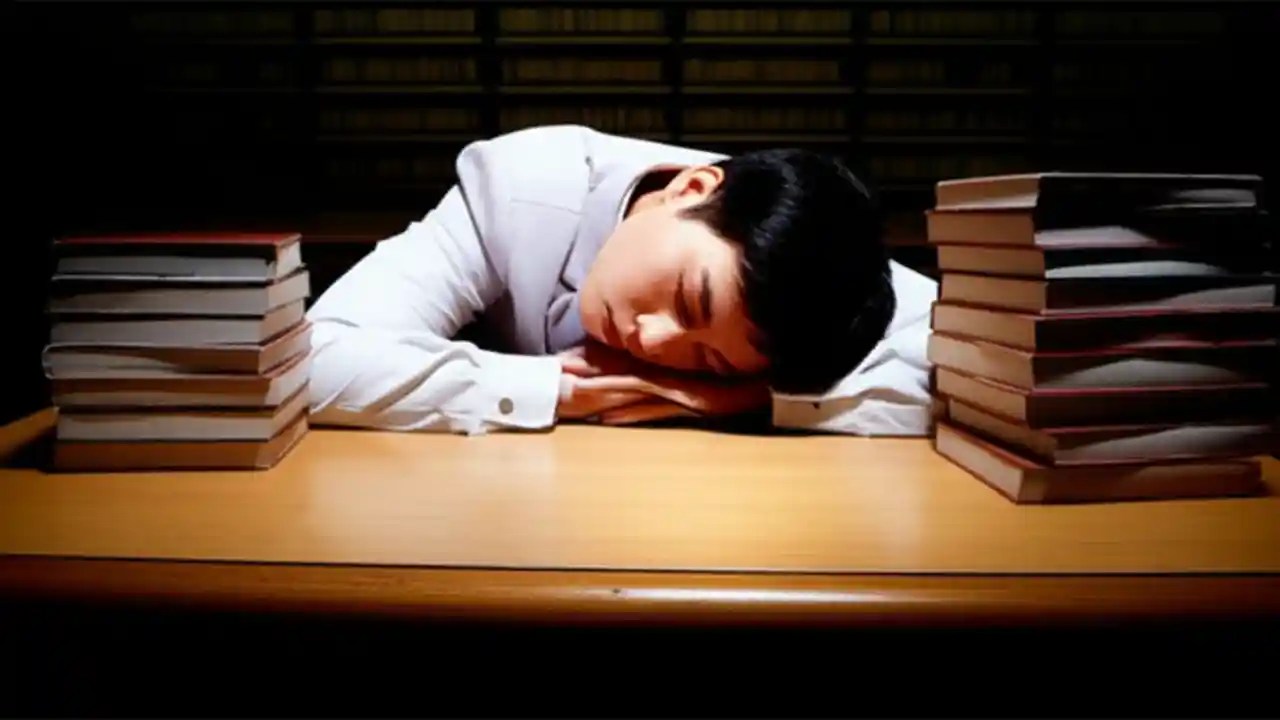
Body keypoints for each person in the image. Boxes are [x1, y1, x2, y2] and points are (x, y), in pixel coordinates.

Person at [304, 124, 935, 435]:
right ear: (691, 186)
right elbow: (315, 359)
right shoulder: (522, 187)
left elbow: (985, 376)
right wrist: (554, 390)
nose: (656, 344)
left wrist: (765, 398)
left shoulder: (831, 268)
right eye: (689, 298)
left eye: (708, 358)